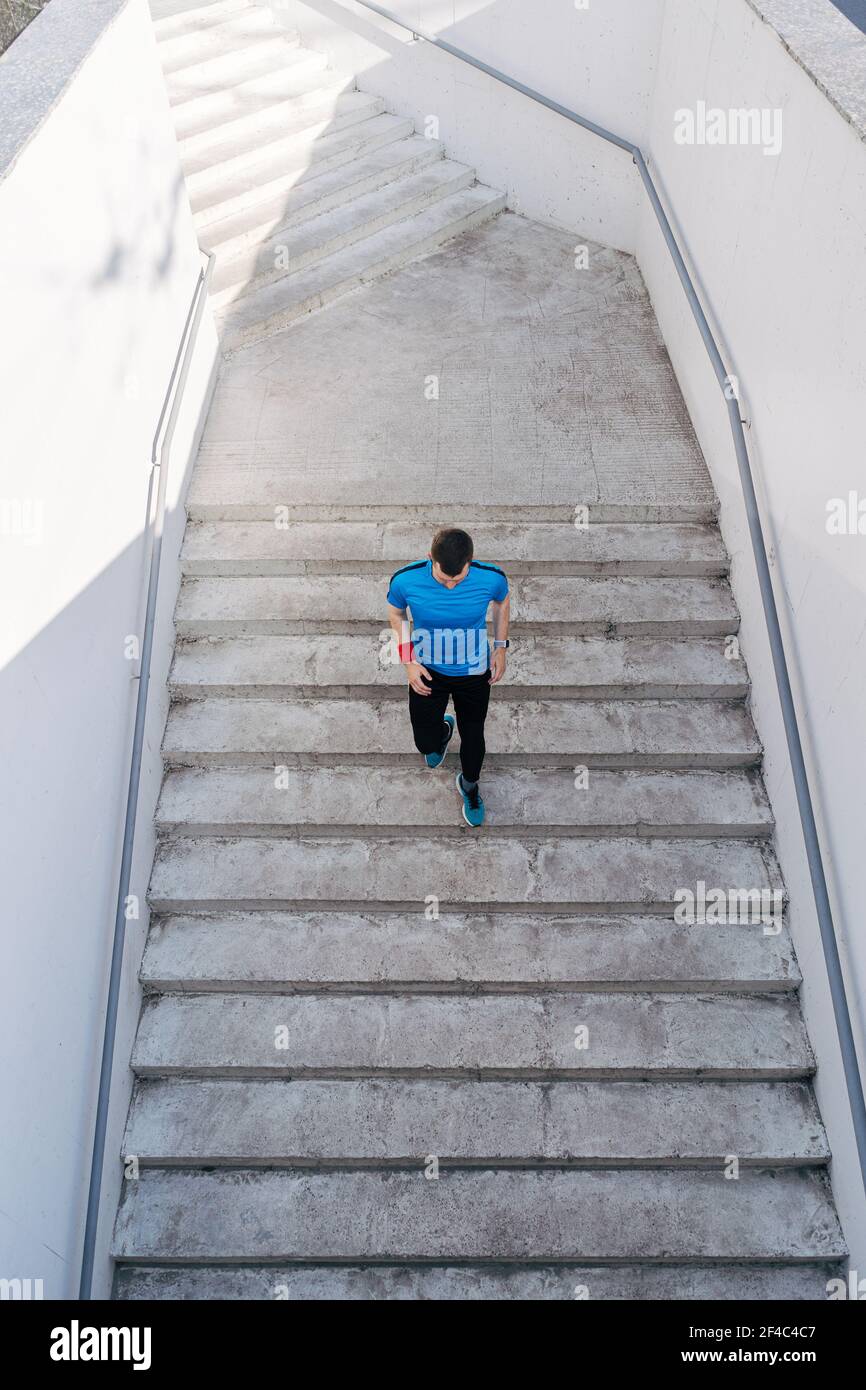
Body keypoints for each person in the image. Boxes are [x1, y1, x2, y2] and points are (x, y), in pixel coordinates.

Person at [386, 528, 510, 827]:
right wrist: (409, 662)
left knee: (474, 737)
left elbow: (502, 603)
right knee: (425, 743)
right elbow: (396, 613)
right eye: (444, 579)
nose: (451, 585)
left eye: (458, 578)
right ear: (431, 559)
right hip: (428, 669)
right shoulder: (405, 579)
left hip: (474, 671)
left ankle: (469, 784)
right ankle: (442, 731)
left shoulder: (492, 577)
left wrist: (501, 648)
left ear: (471, 561)